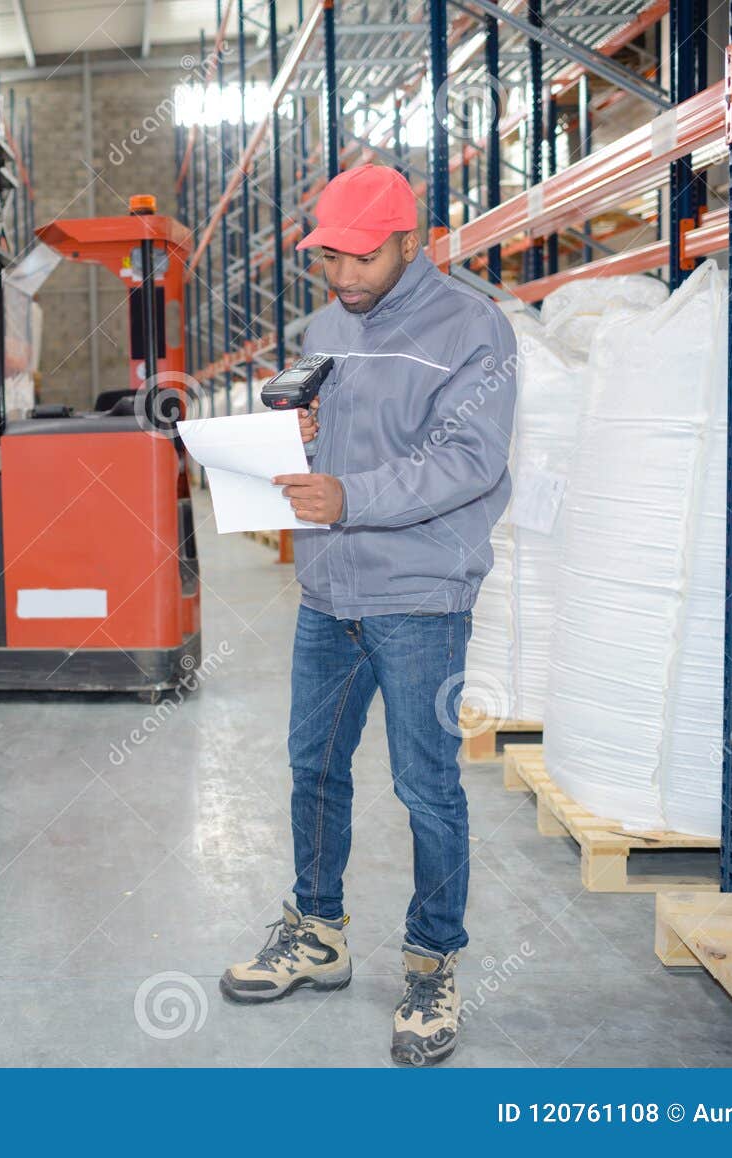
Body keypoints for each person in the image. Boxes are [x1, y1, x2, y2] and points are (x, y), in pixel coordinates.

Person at [218, 164, 517, 1067]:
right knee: (313, 767)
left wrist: (349, 494)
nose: (344, 276)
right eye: (330, 259)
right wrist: (297, 438)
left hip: (420, 597)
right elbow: (337, 445)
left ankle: (432, 961)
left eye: (362, 257)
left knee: (426, 788)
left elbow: (466, 460)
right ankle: (317, 930)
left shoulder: (472, 328)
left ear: (408, 241)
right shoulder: (327, 328)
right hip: (329, 591)